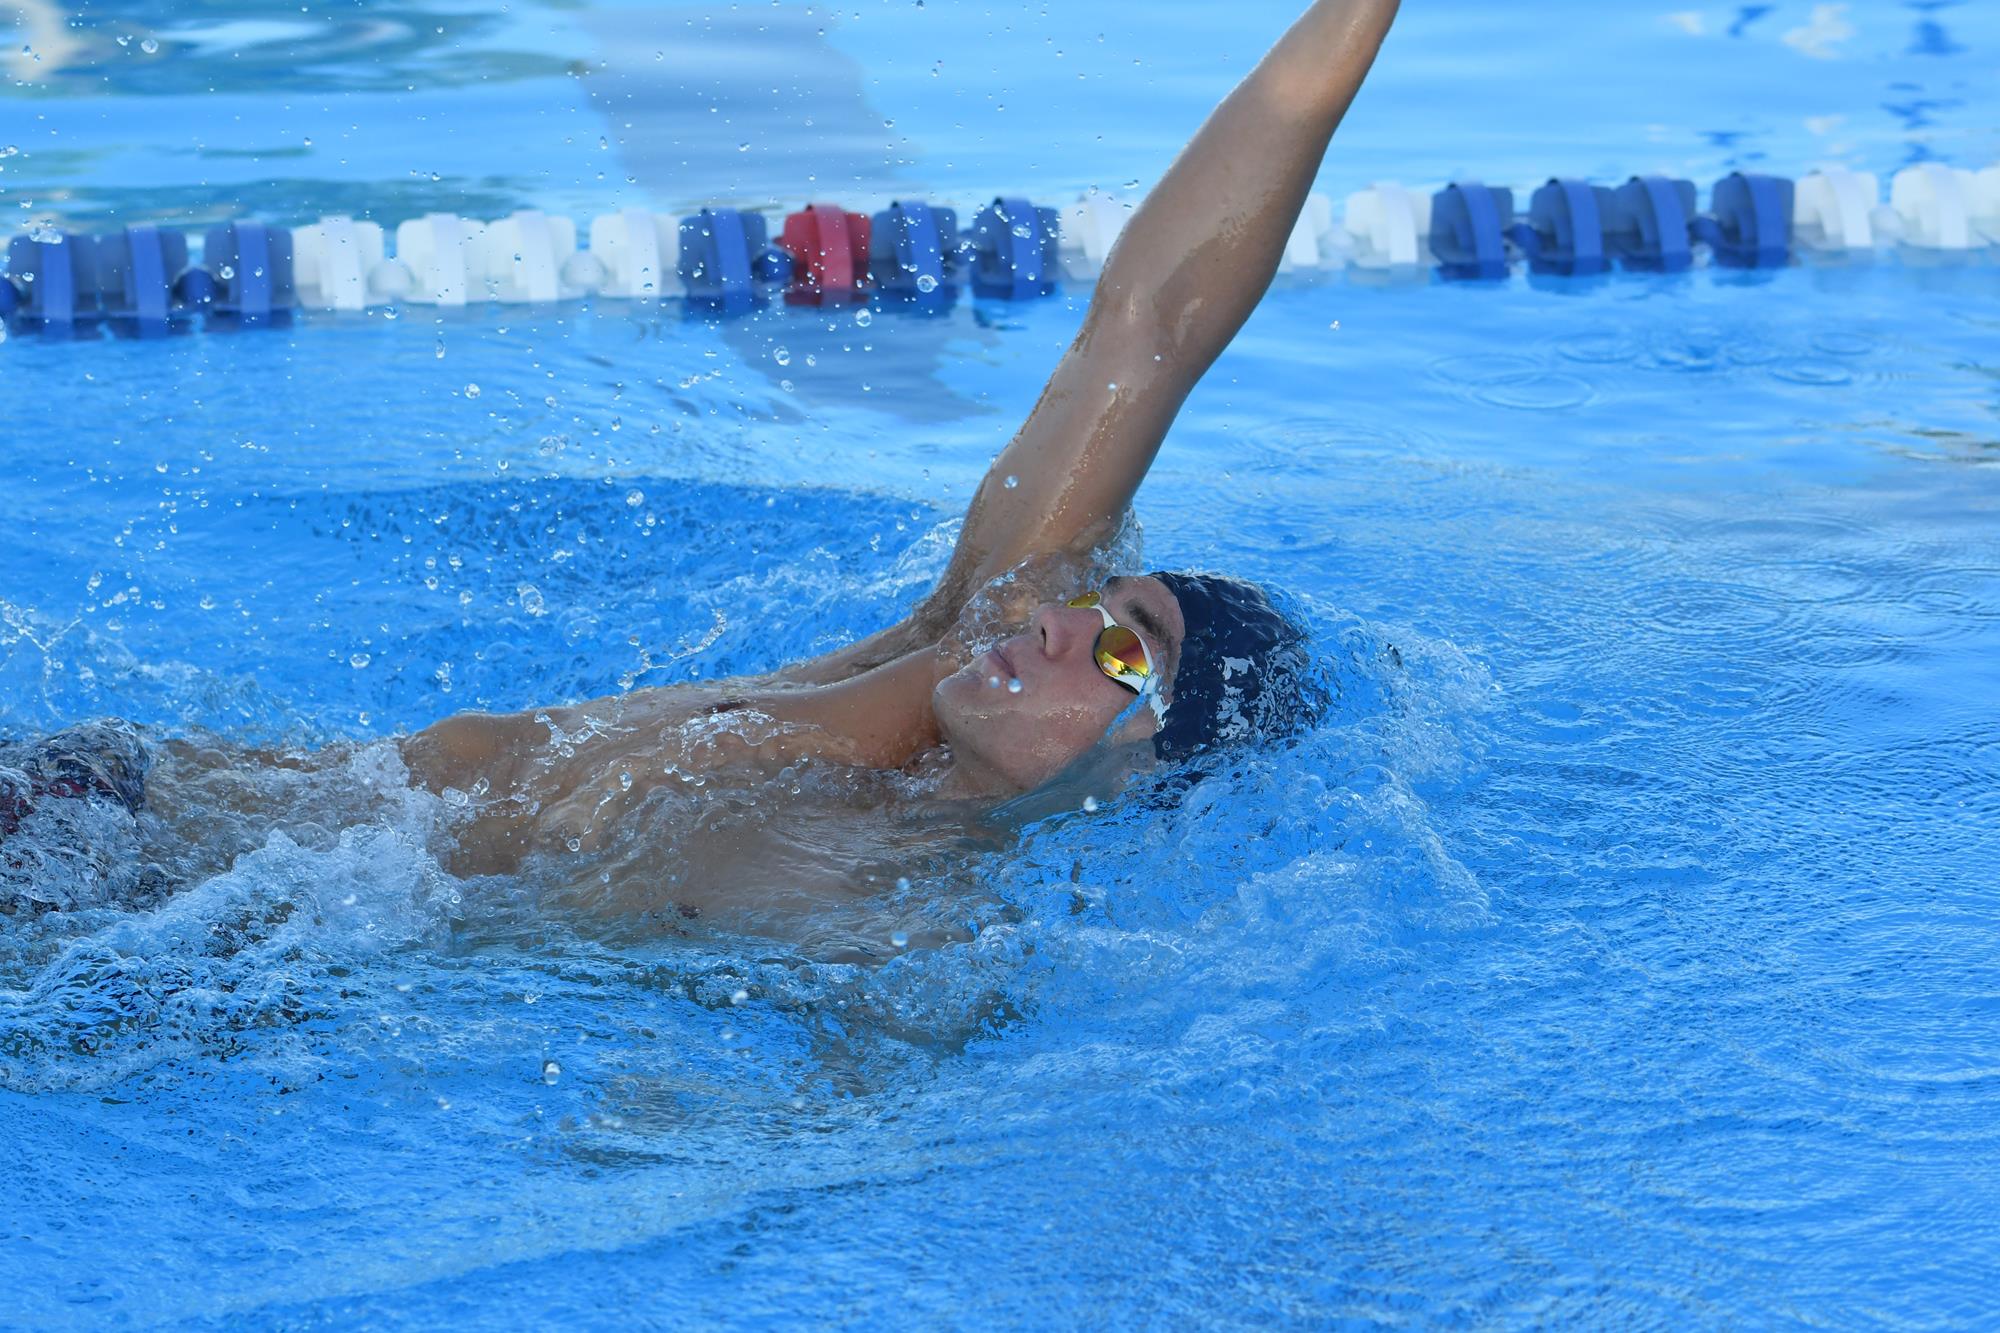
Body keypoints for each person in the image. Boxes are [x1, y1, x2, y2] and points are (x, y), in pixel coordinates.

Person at [4, 0, 1400, 925]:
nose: (1065, 617)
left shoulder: (906, 931)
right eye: (1105, 599)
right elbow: (1149, 326)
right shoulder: (941, 651)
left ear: (1143, 764)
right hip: (145, 801)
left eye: (1120, 650)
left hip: (193, 946)